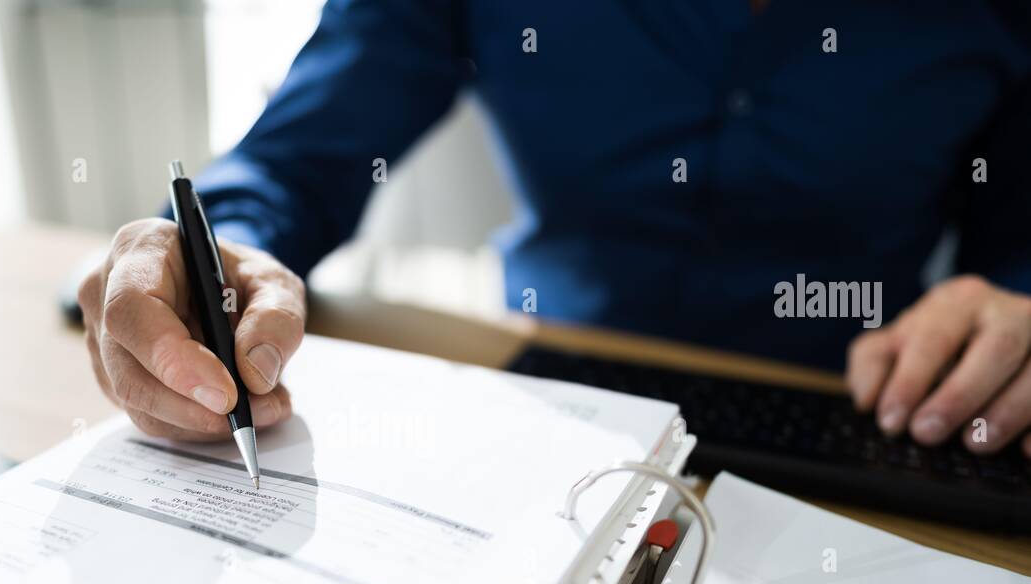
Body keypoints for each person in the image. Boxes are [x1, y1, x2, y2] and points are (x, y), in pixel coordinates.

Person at [78, 1, 1031, 457]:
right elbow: (297, 160)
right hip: (548, 416)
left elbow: (1015, 257)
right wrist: (217, 258)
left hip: (873, 427)